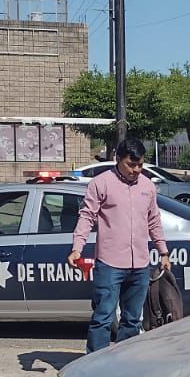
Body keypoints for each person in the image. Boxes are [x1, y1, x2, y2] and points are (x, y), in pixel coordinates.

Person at [66, 137, 169, 352]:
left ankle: (123, 361)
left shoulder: (147, 186)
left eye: (140, 165)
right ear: (118, 159)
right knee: (103, 316)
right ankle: (96, 362)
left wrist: (163, 252)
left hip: (140, 264)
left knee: (132, 319)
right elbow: (87, 216)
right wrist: (77, 248)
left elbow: (154, 221)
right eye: (131, 164)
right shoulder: (101, 183)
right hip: (110, 264)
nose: (136, 170)